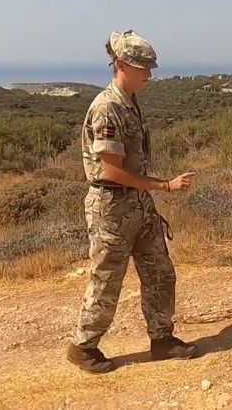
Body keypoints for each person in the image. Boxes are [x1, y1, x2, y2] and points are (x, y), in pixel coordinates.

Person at [67, 30, 198, 374]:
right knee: (107, 281)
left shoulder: (129, 102)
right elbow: (110, 170)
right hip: (112, 209)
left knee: (160, 273)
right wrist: (164, 186)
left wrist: (149, 193)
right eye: (143, 68)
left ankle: (162, 339)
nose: (149, 74)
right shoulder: (107, 108)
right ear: (122, 65)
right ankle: (83, 347)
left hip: (137, 205)